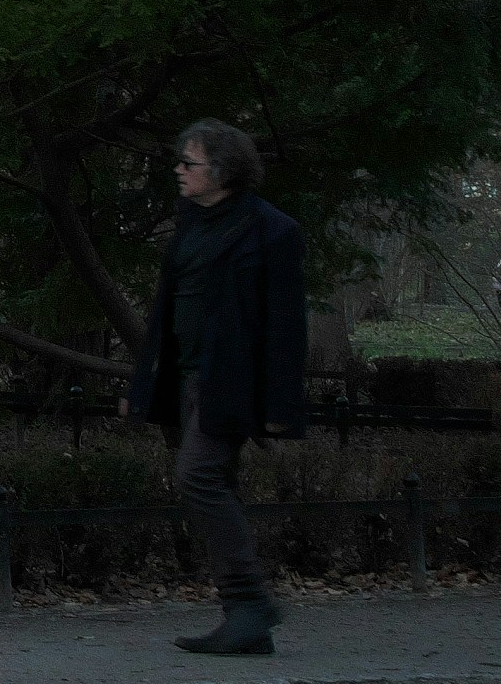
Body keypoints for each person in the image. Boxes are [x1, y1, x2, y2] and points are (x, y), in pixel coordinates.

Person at [123, 119, 314, 658]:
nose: (178, 171)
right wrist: (143, 386)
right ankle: (247, 623)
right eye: (180, 161)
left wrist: (280, 406)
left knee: (198, 477)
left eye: (190, 163)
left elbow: (285, 326)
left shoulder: (271, 230)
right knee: (213, 482)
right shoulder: (190, 223)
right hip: (186, 376)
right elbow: (166, 309)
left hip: (230, 383)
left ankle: (252, 602)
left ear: (223, 170)